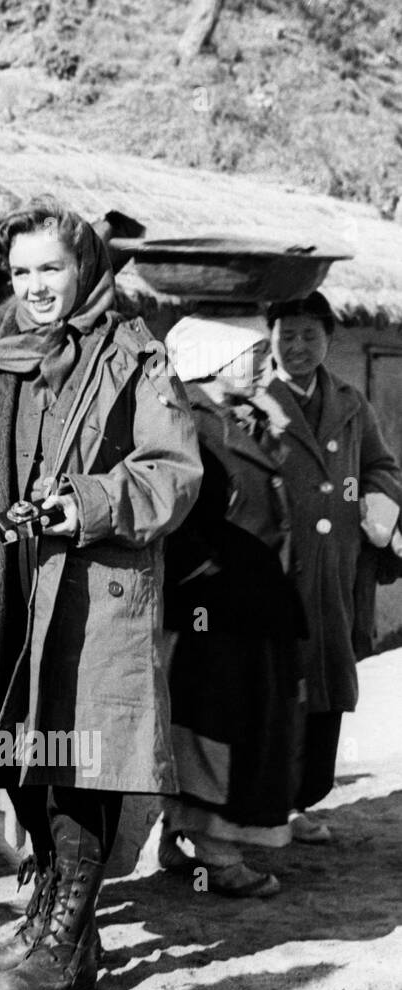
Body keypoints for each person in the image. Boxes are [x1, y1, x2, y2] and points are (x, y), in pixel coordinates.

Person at [0, 198, 202, 990]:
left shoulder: (136, 357)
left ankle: (66, 941)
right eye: (21, 271)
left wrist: (91, 502)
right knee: (19, 756)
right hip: (4, 588)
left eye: (51, 268)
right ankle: (48, 916)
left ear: (86, 269)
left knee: (80, 761)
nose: (36, 285)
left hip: (94, 594)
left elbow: (175, 472)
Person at [160, 315, 307, 897]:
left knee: (231, 723)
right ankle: (216, 857)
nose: (266, 364)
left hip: (249, 606)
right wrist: (207, 572)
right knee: (212, 726)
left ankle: (178, 837)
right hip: (213, 609)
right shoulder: (190, 425)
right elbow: (179, 516)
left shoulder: (242, 419)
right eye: (252, 354)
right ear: (214, 360)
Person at [265, 292, 402, 843]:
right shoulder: (252, 401)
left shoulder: (351, 403)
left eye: (309, 335)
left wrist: (377, 505)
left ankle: (302, 799)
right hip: (278, 572)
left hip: (337, 570)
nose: (298, 347)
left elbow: (380, 467)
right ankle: (268, 808)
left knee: (328, 677)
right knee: (278, 685)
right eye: (287, 335)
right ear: (268, 334)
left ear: (329, 338)